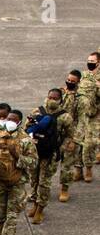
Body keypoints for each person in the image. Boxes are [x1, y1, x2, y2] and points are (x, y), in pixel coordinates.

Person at [26, 89, 69, 223]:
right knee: (34, 179)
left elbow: (70, 135)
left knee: (44, 182)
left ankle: (40, 209)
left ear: (60, 100)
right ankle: (34, 204)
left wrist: (61, 148)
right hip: (36, 151)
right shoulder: (37, 111)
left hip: (50, 154)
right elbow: (27, 128)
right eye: (50, 97)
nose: (51, 100)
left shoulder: (65, 116)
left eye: (55, 98)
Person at [60, 70, 83, 201]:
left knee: (67, 165)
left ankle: (64, 189)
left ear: (78, 82)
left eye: (72, 81)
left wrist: (75, 140)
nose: (69, 82)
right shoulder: (61, 93)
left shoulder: (81, 98)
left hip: (70, 135)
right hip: (57, 134)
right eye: (68, 80)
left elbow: (82, 121)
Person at [77, 52, 100, 184]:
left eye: (92, 60)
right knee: (78, 143)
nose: (90, 62)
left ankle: (89, 168)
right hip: (81, 114)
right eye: (88, 60)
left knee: (90, 144)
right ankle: (78, 170)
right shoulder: (83, 76)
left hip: (94, 115)